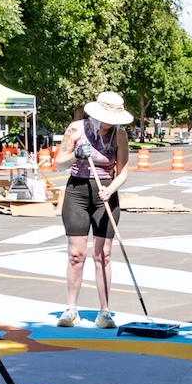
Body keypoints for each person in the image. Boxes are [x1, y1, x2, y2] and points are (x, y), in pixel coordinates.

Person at [55, 92, 132, 329]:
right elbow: (59, 163)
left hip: (105, 193)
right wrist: (76, 153)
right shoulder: (76, 129)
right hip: (77, 191)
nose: (109, 122)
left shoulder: (119, 134)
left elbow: (124, 171)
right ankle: (70, 309)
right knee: (76, 255)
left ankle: (105, 311)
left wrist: (111, 190)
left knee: (103, 255)